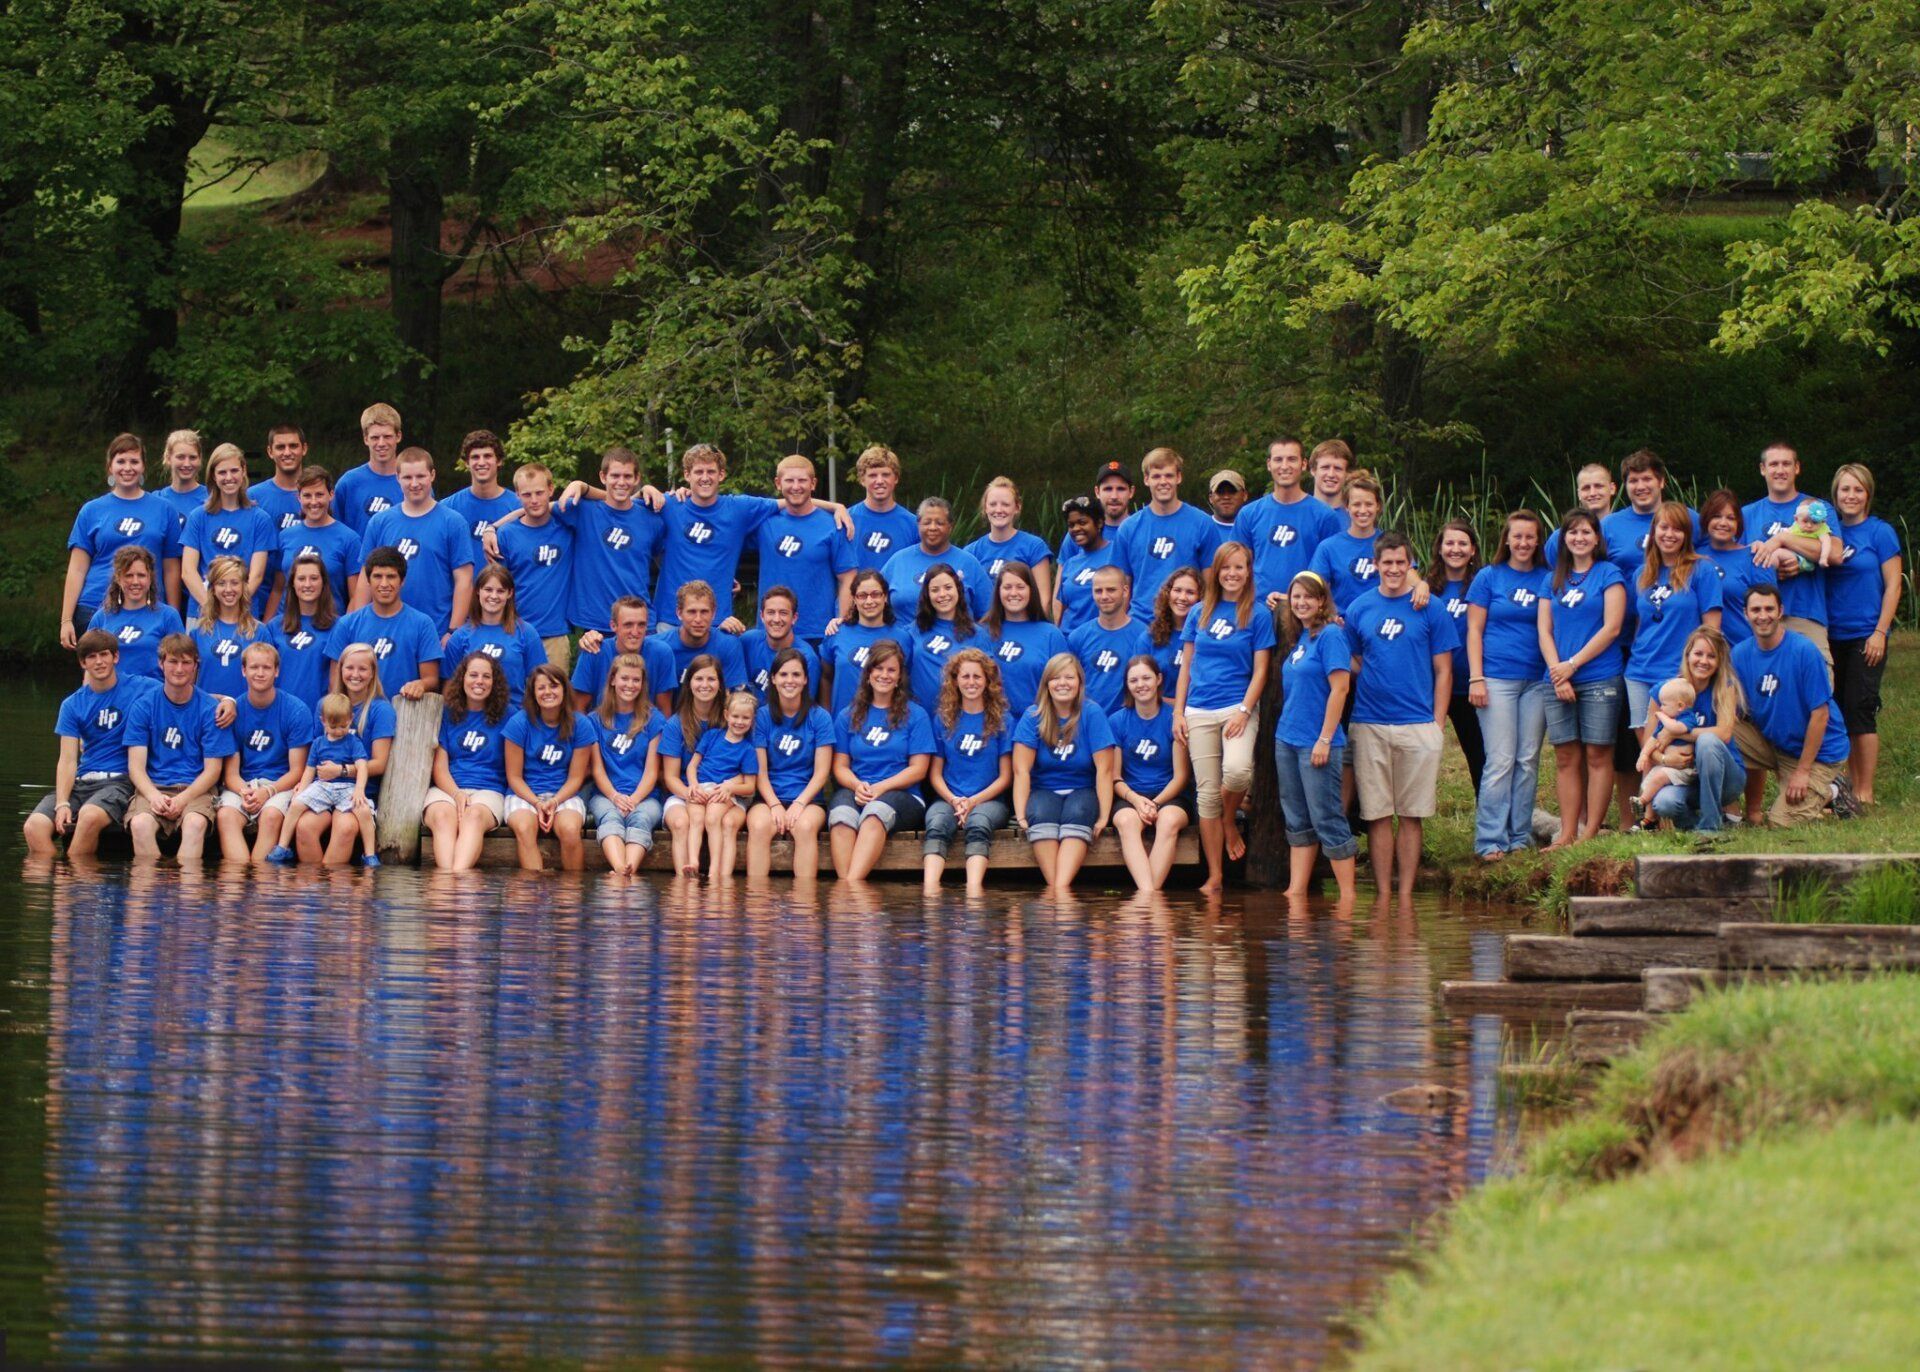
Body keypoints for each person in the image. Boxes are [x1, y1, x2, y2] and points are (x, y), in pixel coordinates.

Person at [1346, 533, 1455, 900]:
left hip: (1418, 724)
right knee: (1377, 814)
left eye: (1400, 562)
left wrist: (1437, 724)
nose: (1393, 569)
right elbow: (1355, 660)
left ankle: (1406, 897)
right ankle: (1382, 897)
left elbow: (1444, 669)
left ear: (1411, 564)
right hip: (1369, 722)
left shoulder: (1430, 607)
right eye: (1386, 563)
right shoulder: (1360, 608)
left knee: (1411, 815)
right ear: (1375, 565)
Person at [1173, 541, 1273, 895]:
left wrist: (1246, 710)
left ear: (1249, 572)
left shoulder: (1257, 614)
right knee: (1206, 796)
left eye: (1239, 567)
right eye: (1226, 568)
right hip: (1198, 709)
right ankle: (1214, 875)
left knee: (1238, 771)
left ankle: (1230, 820)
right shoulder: (1200, 610)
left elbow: (1261, 670)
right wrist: (1178, 712)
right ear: (1217, 572)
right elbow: (1187, 666)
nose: (1232, 574)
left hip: (1236, 707)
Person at [23, 630, 158, 859]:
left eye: (104, 655)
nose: (99, 662)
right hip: (82, 783)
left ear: (115, 657)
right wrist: (63, 802)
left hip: (119, 782)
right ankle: (58, 880)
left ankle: (76, 883)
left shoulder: (141, 687)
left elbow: (184, 692)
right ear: (82, 663)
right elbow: (67, 760)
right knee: (33, 827)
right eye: (91, 657)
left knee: (88, 816)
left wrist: (225, 701)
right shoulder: (72, 704)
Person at [1466, 510, 1552, 860]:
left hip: (1536, 680)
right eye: (1517, 536)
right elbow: (1473, 630)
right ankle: (1490, 839)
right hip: (1496, 678)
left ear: (1537, 541)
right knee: (1500, 759)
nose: (1523, 543)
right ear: (1506, 539)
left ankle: (1519, 836)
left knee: (1527, 759)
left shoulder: (1547, 578)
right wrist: (1477, 677)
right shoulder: (1488, 577)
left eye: (1530, 537)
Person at [1538, 509, 1627, 847]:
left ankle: (1590, 833)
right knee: (1565, 757)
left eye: (1586, 532)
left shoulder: (1609, 574)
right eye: (1572, 532)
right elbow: (1544, 630)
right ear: (1564, 539)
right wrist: (1557, 672)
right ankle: (1568, 832)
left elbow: (1612, 628)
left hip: (1599, 677)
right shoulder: (1552, 578)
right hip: (1558, 679)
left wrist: (1572, 665)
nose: (1579, 538)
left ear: (1596, 538)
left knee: (1598, 755)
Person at [1732, 585, 1851, 826]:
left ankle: (1833, 790)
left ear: (1780, 611)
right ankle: (1721, 814)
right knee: (1713, 737)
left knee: (1781, 822)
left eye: (1769, 609)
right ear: (1745, 613)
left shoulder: (1804, 651)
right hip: (1776, 744)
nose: (1762, 616)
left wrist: (1803, 771)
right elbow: (1731, 707)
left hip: (1819, 753)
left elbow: (1820, 714)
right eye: (1756, 609)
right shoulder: (1740, 654)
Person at [1273, 572, 1357, 898]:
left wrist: (1324, 738)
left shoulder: (1331, 635)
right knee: (1297, 819)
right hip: (1287, 739)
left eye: (1309, 596)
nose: (1301, 602)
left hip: (1317, 743)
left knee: (1327, 817)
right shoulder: (1302, 638)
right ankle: (1296, 893)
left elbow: (1341, 688)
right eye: (1296, 597)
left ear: (1322, 600)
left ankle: (1348, 897)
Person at [1825, 463, 1903, 808]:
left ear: (1868, 494)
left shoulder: (1880, 533)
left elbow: (1893, 585)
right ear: (1835, 495)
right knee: (1837, 711)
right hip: (1831, 634)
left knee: (1860, 708)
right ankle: (1843, 784)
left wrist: (1880, 631)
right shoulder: (1829, 532)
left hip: (1866, 635)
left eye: (1858, 489)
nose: (1851, 496)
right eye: (1845, 490)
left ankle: (1864, 790)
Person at [124, 634, 236, 862]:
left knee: (194, 824)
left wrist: (183, 799)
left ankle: (187, 893)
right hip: (154, 786)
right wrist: (154, 796)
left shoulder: (210, 709)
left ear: (196, 666)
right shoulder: (144, 706)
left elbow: (213, 771)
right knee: (140, 824)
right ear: (161, 663)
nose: (179, 669)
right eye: (173, 661)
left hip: (196, 789)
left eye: (186, 662)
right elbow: (136, 768)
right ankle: (151, 889)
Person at [829, 640, 935, 881]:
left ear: (899, 677)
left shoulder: (915, 715)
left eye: (891, 670)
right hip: (858, 788)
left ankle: (849, 890)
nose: (884, 675)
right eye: (878, 668)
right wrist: (857, 785)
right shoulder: (849, 714)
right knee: (841, 816)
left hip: (903, 794)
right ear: (868, 674)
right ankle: (848, 886)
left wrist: (881, 787)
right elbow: (840, 767)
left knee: (875, 812)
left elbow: (918, 770)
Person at [1012, 652, 1116, 893]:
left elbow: (1105, 770)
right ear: (1046, 684)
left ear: (1079, 682)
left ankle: (1058, 891)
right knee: (1040, 812)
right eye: (1056, 678)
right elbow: (1021, 771)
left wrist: (1103, 817)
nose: (1062, 683)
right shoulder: (1032, 716)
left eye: (1069, 677)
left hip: (1083, 788)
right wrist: (1021, 815)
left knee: (1078, 812)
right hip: (1044, 788)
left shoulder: (1092, 713)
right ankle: (1059, 893)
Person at [62, 433, 173, 645]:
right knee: (99, 674)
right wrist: (66, 619)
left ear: (143, 467)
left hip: (150, 608)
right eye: (120, 461)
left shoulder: (164, 509)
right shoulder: (91, 510)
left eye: (134, 461)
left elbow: (171, 568)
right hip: (95, 606)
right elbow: (77, 569)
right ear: (110, 466)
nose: (127, 467)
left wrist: (173, 613)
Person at [1624, 501, 1722, 739]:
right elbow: (1639, 624)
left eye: (1677, 529)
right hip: (1639, 672)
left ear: (1686, 535)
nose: (1669, 534)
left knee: (1676, 744)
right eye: (1664, 527)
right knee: (1646, 750)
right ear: (1654, 531)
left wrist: (1696, 670)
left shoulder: (1702, 570)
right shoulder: (1641, 574)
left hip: (1678, 671)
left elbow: (1712, 630)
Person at [291, 643, 395, 864]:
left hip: (357, 792)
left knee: (345, 827)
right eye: (349, 668)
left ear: (372, 673)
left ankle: (335, 893)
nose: (355, 675)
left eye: (362, 669)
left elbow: (380, 763)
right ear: (340, 670)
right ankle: (315, 889)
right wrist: (305, 783)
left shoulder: (380, 709)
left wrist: (342, 770)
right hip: (323, 788)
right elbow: (315, 754)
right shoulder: (325, 705)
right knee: (304, 827)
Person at [353, 447, 473, 637]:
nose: (414, 484)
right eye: (408, 478)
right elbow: (365, 579)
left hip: (438, 629)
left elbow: (464, 581)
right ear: (397, 478)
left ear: (432, 475)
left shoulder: (453, 522)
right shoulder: (380, 522)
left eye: (420, 476)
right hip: (385, 630)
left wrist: (453, 631)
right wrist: (357, 626)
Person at [921, 649, 1014, 893]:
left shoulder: (1003, 720)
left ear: (987, 681)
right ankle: (930, 891)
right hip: (949, 797)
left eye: (977, 676)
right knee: (937, 822)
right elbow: (935, 774)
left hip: (989, 800)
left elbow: (1006, 776)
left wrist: (972, 801)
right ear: (955, 681)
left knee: (978, 823)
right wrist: (954, 800)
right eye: (965, 677)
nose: (971, 682)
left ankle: (973, 891)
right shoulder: (943, 718)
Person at [214, 642, 312, 864]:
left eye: (266, 668)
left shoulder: (295, 710)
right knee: (226, 815)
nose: (260, 673)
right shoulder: (234, 711)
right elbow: (230, 774)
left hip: (280, 785)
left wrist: (267, 792)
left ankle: (260, 882)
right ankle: (236, 883)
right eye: (254, 667)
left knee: (270, 816)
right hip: (243, 784)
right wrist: (246, 792)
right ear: (243, 670)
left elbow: (297, 771)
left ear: (276, 671)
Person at [1644, 627, 1749, 832]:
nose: (1703, 661)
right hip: (1685, 777)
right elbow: (1650, 744)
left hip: (1726, 779)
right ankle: (1695, 827)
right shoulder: (1666, 691)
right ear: (1687, 654)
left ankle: (1710, 827)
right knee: (1664, 803)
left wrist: (1676, 732)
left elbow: (1724, 734)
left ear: (1719, 661)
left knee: (1707, 741)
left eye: (1711, 656)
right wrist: (1666, 760)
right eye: (1698, 653)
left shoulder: (1724, 687)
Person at [549, 446, 661, 634]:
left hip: (638, 620)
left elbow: (668, 559)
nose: (621, 482)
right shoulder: (582, 510)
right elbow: (535, 509)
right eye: (615, 476)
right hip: (596, 621)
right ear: (603, 477)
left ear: (637, 478)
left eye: (627, 476)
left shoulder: (652, 518)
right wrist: (492, 529)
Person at [420, 653, 513, 872]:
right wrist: (457, 794)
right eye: (473, 675)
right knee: (443, 816)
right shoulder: (446, 713)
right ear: (462, 678)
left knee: (473, 816)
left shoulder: (509, 716)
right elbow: (440, 768)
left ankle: (455, 878)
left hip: (489, 790)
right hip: (448, 787)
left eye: (486, 676)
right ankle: (447, 879)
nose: (479, 681)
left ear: (495, 682)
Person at [748, 649, 835, 881]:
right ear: (773, 679)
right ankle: (757, 905)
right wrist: (775, 805)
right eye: (783, 674)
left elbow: (821, 773)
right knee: (758, 826)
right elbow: (761, 772)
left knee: (804, 827)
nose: (790, 681)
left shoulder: (820, 717)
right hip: (769, 797)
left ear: (806, 679)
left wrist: (799, 802)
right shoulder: (762, 717)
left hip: (808, 799)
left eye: (796, 675)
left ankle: (804, 906)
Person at [1112, 446, 1223, 625]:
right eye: (1156, 476)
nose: (1163, 482)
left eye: (1169, 476)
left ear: (1178, 477)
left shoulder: (1202, 523)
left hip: (1186, 624)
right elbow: (1122, 587)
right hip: (1141, 623)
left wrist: (1204, 623)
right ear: (1146, 480)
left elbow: (1211, 585)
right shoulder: (1129, 528)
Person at [1742, 441, 1833, 659]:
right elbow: (1736, 563)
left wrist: (1783, 540)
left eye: (1786, 464)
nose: (1780, 470)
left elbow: (1834, 553)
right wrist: (1770, 571)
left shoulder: (1817, 508)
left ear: (1797, 468)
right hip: (1760, 617)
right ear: (1763, 469)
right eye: (1773, 464)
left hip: (1806, 615)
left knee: (1817, 687)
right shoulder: (1746, 514)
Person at [1109, 655, 1191, 893]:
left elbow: (1181, 776)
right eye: (1133, 680)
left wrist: (1155, 803)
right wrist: (1136, 800)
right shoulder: (1118, 720)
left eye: (1146, 678)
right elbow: (1114, 777)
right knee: (1126, 821)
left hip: (1169, 794)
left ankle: (1146, 897)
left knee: (1168, 821)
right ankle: (1149, 896)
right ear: (1127, 685)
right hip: (1131, 794)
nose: (1140, 684)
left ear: (1158, 680)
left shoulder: (1173, 719)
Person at [502, 664, 596, 871]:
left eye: (553, 686)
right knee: (525, 827)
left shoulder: (580, 724)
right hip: (524, 793)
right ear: (533, 694)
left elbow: (576, 778)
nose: (548, 692)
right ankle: (535, 891)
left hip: (564, 793)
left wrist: (554, 801)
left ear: (564, 689)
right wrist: (536, 803)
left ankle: (570, 894)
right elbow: (514, 777)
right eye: (541, 688)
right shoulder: (519, 723)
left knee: (570, 830)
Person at [270, 692, 379, 868]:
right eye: (333, 727)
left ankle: (370, 854)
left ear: (351, 719)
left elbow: (362, 766)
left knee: (364, 811)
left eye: (343, 726)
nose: (338, 731)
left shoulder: (353, 742)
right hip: (323, 786)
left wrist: (360, 789)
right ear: (323, 721)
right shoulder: (318, 743)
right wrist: (302, 789)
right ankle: (282, 846)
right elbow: (309, 769)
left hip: (347, 788)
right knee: (296, 804)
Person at [758, 453, 856, 643]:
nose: (796, 487)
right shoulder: (763, 522)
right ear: (778, 483)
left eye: (802, 480)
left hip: (818, 631)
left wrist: (842, 623)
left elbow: (848, 577)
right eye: (789, 481)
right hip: (771, 630)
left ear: (813, 484)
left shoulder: (833, 525)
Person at [1234, 436, 1342, 605]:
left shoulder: (1324, 515)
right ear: (1269, 464)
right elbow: (1236, 567)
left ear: (1304, 464)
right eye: (1278, 460)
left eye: (1292, 459)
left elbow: (1332, 573)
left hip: (1306, 612)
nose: (1285, 466)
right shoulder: (1249, 514)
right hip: (1258, 611)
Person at [587, 653, 666, 875]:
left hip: (644, 796)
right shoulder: (595, 720)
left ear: (642, 684)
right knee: (610, 816)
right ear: (613, 680)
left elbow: (652, 771)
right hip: (606, 794)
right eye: (624, 679)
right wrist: (614, 796)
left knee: (640, 818)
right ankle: (621, 868)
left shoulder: (653, 719)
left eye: (636, 680)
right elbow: (597, 769)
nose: (630, 685)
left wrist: (634, 799)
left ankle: (626, 870)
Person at [326, 547, 440, 701]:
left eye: (391, 576)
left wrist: (420, 685)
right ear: (368, 580)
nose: (384, 584)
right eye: (377, 576)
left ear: (402, 581)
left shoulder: (422, 624)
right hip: (357, 715)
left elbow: (432, 679)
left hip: (404, 712)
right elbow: (335, 683)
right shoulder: (347, 624)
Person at [490, 462, 575, 667]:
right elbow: (499, 587)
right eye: (527, 495)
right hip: (513, 632)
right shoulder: (506, 535)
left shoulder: (568, 527)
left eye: (540, 493)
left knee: (553, 696)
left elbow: (608, 503)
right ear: (517, 495)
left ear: (551, 490)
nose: (535, 500)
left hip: (554, 634)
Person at [179, 443, 275, 616]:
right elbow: (188, 571)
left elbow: (257, 575)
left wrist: (232, 608)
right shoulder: (198, 517)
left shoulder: (260, 519)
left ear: (243, 471)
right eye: (222, 472)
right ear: (213, 476)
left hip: (244, 612)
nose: (229, 477)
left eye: (234, 471)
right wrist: (212, 607)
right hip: (203, 612)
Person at [659, 656, 728, 875]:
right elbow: (670, 777)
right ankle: (684, 881)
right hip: (683, 793)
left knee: (719, 819)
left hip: (722, 795)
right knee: (680, 823)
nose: (705, 685)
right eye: (699, 678)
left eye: (711, 679)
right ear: (689, 684)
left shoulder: (730, 720)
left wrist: (719, 793)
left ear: (720, 685)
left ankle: (719, 883)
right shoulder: (675, 724)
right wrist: (691, 793)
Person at [1431, 519, 1484, 793]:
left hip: (1469, 686)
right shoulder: (1426, 588)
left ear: (1473, 549)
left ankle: (1489, 823)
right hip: (1431, 686)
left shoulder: (1482, 584)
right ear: (1439, 548)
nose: (1456, 549)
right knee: (1422, 755)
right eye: (1449, 543)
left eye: (1462, 543)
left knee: (1479, 757)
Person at [441, 565, 548, 698]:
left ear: (510, 593)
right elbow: (449, 686)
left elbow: (540, 680)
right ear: (478, 591)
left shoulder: (526, 633)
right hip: (471, 714)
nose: (493, 596)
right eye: (488, 590)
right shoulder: (460, 637)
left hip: (513, 713)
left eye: (500, 591)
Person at [686, 690, 761, 880]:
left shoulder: (747, 750)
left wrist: (730, 788)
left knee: (712, 818)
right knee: (695, 818)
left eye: (746, 718)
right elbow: (692, 765)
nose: (739, 721)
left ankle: (713, 870)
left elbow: (750, 786)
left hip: (724, 792)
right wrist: (694, 785)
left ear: (752, 721)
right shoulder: (712, 736)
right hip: (702, 787)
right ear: (727, 715)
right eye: (735, 716)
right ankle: (693, 861)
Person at [881, 497, 994, 620]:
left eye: (939, 523)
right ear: (918, 525)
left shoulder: (969, 563)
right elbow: (875, 599)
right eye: (927, 522)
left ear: (951, 526)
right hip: (905, 638)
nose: (933, 527)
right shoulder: (898, 561)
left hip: (957, 637)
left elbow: (989, 613)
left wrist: (974, 637)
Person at [981, 561, 1069, 718]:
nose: (1013, 593)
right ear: (998, 592)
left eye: (1020, 587)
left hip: (1038, 724)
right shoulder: (983, 634)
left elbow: (1064, 686)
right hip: (994, 725)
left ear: (1031, 591)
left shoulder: (1051, 635)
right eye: (1007, 587)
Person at [821, 569, 914, 714]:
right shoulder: (836, 633)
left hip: (887, 726)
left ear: (885, 597)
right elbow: (826, 677)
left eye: (875, 594)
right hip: (843, 723)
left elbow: (906, 683)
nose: (869, 601)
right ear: (854, 599)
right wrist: (826, 715)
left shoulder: (903, 638)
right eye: (862, 596)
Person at [270, 466, 361, 614]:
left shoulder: (349, 539)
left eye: (319, 494)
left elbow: (356, 598)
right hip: (288, 627)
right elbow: (278, 589)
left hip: (329, 626)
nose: (313, 502)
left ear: (331, 495)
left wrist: (345, 631)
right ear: (298, 497)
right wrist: (268, 626)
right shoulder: (285, 536)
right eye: (307, 495)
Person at [571, 596, 678, 716]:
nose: (635, 632)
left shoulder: (661, 653)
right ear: (613, 626)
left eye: (641, 625)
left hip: (645, 729)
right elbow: (578, 710)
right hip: (601, 729)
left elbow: (664, 710)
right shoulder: (594, 650)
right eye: (628, 625)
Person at [92, 546, 184, 681]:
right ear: (118, 578)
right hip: (114, 698)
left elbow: (182, 665)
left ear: (150, 578)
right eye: (128, 575)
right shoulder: (101, 618)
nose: (135, 582)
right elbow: (90, 668)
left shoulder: (168, 616)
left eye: (141, 575)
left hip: (155, 696)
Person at [1068, 565, 1151, 715]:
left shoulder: (1143, 635)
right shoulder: (1078, 637)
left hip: (1128, 722)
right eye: (1098, 591)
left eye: (1111, 590)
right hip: (1087, 721)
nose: (1104, 596)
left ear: (1125, 591)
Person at [1698, 489, 1774, 649]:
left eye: (1730, 518)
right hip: (1703, 655)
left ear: (1738, 523)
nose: (1723, 523)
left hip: (1745, 651)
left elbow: (1769, 612)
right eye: (1716, 516)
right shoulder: (1693, 557)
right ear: (1706, 519)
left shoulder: (1756, 557)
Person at [966, 477, 1055, 610]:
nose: (999, 509)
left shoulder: (1034, 547)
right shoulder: (971, 552)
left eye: (1005, 504)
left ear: (1017, 507)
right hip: (986, 627)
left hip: (1024, 626)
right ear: (985, 508)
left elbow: (1044, 599)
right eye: (993, 504)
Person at [191, 555, 271, 701]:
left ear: (243, 586)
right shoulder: (198, 632)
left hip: (246, 713)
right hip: (208, 712)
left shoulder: (260, 632)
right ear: (213, 589)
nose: (228, 589)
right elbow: (190, 682)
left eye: (234, 583)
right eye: (221, 583)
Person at [907, 565, 988, 707]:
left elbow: (989, 679)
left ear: (958, 589)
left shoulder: (977, 634)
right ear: (927, 595)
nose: (942, 594)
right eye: (935, 590)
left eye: (948, 587)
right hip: (919, 716)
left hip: (959, 719)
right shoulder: (911, 631)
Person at [269, 554, 340, 713]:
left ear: (323, 583)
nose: (307, 584)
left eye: (314, 578)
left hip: (320, 714)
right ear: (292, 584)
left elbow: (336, 683)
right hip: (280, 714)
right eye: (301, 579)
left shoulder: (338, 626)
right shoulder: (274, 626)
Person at [441, 430, 521, 568]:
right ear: (466, 462)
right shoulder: (447, 507)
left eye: (488, 456)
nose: (481, 462)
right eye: (475, 457)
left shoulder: (518, 506)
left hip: (503, 587)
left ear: (499, 461)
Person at [659, 580, 750, 697]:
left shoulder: (728, 644)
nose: (698, 619)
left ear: (713, 613)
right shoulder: (660, 646)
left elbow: (735, 700)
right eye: (692, 612)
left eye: (704, 612)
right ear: (679, 613)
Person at [1631, 679, 1700, 828]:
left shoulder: (1687, 717)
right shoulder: (1666, 721)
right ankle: (1649, 819)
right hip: (1667, 766)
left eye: (1664, 705)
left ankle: (1641, 802)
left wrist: (1661, 717)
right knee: (1648, 783)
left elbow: (1677, 729)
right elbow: (1653, 739)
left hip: (1684, 769)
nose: (1660, 708)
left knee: (1659, 778)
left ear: (1680, 706)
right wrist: (1643, 755)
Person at [332, 402, 405, 535]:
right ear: (366, 439)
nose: (381, 443)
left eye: (387, 436)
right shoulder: (349, 483)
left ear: (398, 436)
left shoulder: (413, 482)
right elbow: (333, 532)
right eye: (375, 437)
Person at [847, 444, 921, 571]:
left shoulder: (913, 524)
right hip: (857, 591)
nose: (880, 481)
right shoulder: (847, 520)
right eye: (873, 475)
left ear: (896, 478)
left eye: (886, 474)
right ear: (862, 480)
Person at [743, 586, 821, 701]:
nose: (776, 619)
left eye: (783, 613)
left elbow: (804, 708)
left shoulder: (807, 658)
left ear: (794, 618)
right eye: (770, 612)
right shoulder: (748, 641)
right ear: (762, 616)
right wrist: (722, 629)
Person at [1052, 494, 1117, 634]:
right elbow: (1061, 606)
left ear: (1099, 523)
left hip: (1102, 638)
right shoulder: (1070, 564)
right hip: (1068, 641)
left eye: (1082, 522)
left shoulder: (1117, 553)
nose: (1076, 529)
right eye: (1071, 525)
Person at [1145, 567, 1203, 696]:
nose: (1182, 597)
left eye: (1190, 592)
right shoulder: (1149, 637)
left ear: (1200, 598)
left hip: (1197, 710)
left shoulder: (1206, 637)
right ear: (1167, 593)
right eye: (1177, 590)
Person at [153, 429, 207, 561]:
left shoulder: (213, 498)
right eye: (180, 457)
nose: (187, 463)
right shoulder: (156, 499)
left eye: (192, 457)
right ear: (168, 458)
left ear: (200, 459)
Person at [249, 423, 309, 538]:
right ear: (270, 451)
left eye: (293, 446)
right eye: (280, 447)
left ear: (304, 449)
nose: (287, 453)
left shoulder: (319, 497)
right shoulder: (252, 497)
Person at [1308, 439, 1351, 508]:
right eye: (1325, 467)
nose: (1331, 474)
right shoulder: (1298, 513)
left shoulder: (1355, 516)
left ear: (1347, 474)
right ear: (1313, 470)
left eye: (1338, 468)